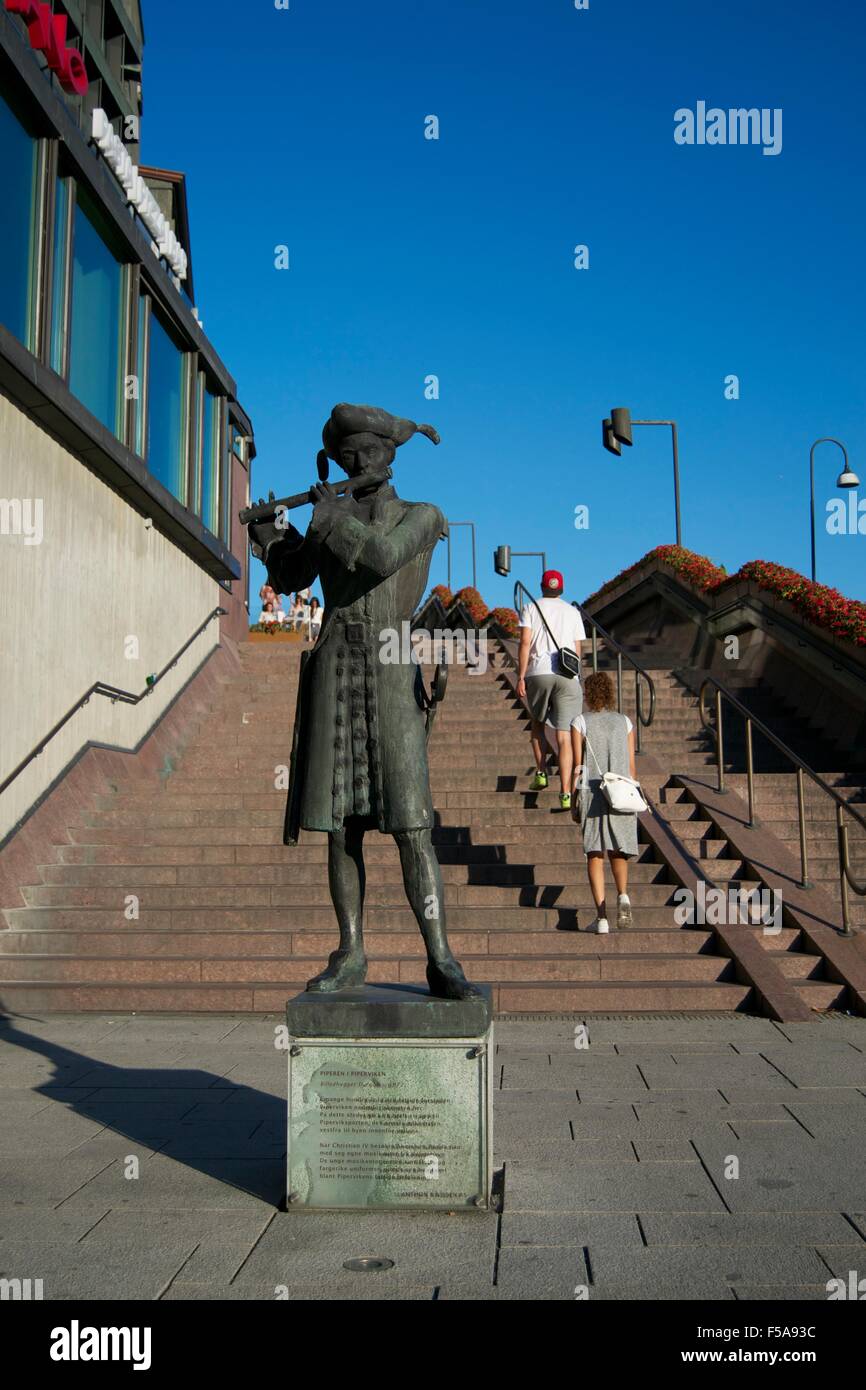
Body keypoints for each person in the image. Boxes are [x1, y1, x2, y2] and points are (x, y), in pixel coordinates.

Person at [246, 400, 478, 1000]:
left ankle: (441, 957)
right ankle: (349, 951)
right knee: (340, 826)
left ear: (389, 458)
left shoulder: (422, 515)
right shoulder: (330, 517)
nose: (357, 463)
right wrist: (270, 531)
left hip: (392, 662)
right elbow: (292, 576)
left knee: (411, 822)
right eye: (346, 457)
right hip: (334, 665)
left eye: (367, 455)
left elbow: (381, 558)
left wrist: (328, 520)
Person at [573, 670, 638, 934]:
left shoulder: (580, 722)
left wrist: (572, 796)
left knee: (595, 853)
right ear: (610, 694)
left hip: (592, 792)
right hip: (621, 790)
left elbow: (579, 766)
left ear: (587, 695)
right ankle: (622, 894)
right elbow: (632, 766)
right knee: (619, 849)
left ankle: (601, 918)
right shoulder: (626, 722)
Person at [516, 569, 586, 811]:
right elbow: (577, 650)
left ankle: (541, 772)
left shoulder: (531, 608)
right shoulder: (573, 612)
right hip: (568, 675)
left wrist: (521, 676)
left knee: (537, 724)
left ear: (542, 586)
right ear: (561, 589)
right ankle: (566, 792)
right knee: (564, 736)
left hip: (538, 672)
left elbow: (525, 643)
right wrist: (577, 677)